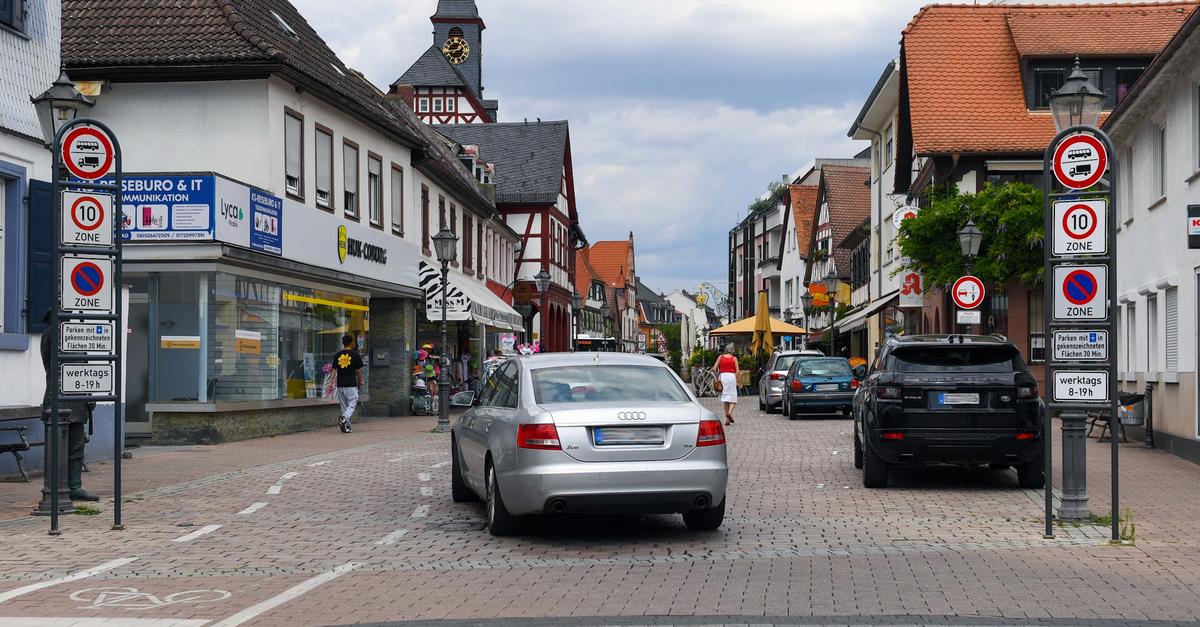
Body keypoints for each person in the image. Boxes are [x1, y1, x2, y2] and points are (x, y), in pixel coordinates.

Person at [39, 310, 98, 501]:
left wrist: (89, 393)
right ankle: (56, 487)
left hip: (78, 401)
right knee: (57, 447)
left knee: (77, 446)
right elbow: (52, 367)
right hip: (59, 398)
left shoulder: (78, 334)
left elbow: (84, 368)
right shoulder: (51, 334)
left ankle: (74, 486)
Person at [332, 334, 364, 433]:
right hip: (350, 383)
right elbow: (358, 371)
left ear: (343, 343)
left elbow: (333, 370)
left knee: (344, 406)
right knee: (353, 400)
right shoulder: (355, 355)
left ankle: (346, 427)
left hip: (340, 383)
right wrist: (360, 381)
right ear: (352, 343)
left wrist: (330, 383)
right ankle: (344, 417)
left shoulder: (337, 355)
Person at [712, 344, 740, 426]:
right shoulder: (734, 359)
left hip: (723, 376)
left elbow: (714, 369)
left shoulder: (720, 357)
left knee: (725, 399)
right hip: (731, 377)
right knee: (733, 398)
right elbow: (737, 372)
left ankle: (727, 420)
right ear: (733, 351)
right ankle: (730, 413)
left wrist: (718, 377)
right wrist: (737, 380)